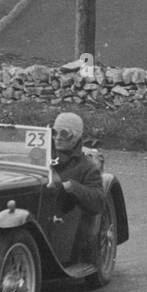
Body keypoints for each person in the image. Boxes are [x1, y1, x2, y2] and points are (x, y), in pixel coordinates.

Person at [50, 112, 105, 264]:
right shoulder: (41, 154)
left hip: (64, 223)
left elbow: (98, 201)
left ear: (75, 136)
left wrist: (72, 187)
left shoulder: (86, 166)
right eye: (54, 132)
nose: (58, 137)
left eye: (64, 133)